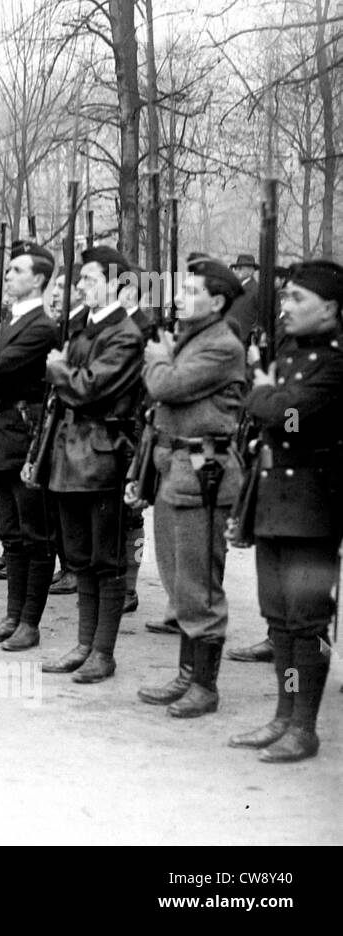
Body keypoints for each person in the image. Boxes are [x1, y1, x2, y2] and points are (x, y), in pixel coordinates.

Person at [228, 260, 343, 762]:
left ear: (333, 309)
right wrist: (270, 397)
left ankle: (304, 725)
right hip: (274, 501)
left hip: (314, 507)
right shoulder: (291, 357)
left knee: (307, 622)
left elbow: (287, 418)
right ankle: (283, 712)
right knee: (278, 620)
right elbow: (276, 410)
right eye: (285, 297)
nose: (286, 307)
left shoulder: (335, 365)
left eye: (298, 299)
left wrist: (261, 392)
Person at [132, 257, 246, 717]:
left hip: (203, 472)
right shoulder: (193, 338)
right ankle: (186, 675)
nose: (178, 297)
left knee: (199, 584)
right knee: (179, 580)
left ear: (216, 301)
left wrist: (156, 357)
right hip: (176, 467)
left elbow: (166, 385)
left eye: (190, 290)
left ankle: (205, 685)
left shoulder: (221, 344)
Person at [39, 246, 145, 682]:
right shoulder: (82, 329)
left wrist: (59, 370)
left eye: (89, 278)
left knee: (107, 558)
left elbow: (90, 388)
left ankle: (103, 651)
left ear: (118, 284)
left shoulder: (125, 333)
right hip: (68, 453)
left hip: (102, 455)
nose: (79, 286)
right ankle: (85, 643)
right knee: (79, 556)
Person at [0, 241, 61, 649]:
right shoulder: (8, 320)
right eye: (8, 271)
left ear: (38, 279)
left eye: (17, 271)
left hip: (25, 434)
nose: (8, 277)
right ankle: (12, 614)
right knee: (10, 532)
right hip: (1, 431)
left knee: (33, 531)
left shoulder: (41, 325)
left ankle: (29, 622)